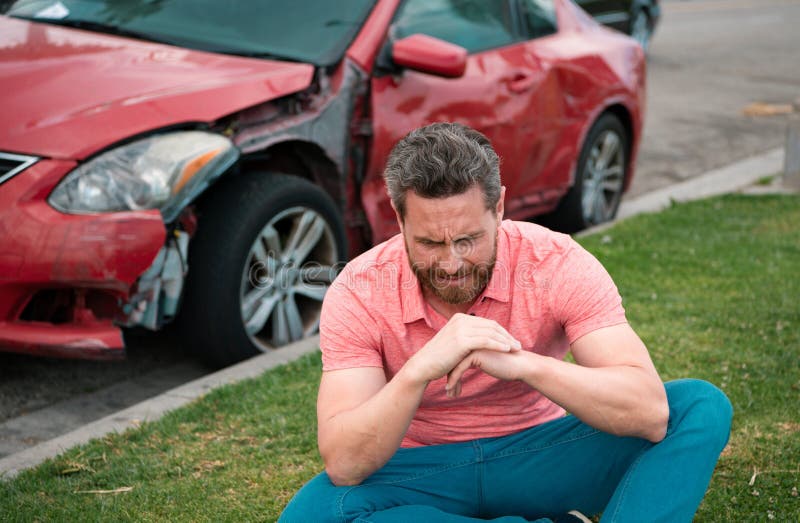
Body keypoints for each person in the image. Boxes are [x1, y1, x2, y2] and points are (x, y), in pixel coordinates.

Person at [279, 122, 732, 522]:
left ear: (499, 211)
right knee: (317, 512)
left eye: (468, 239)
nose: (451, 262)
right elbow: (344, 462)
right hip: (428, 468)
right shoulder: (359, 288)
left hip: (541, 454)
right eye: (430, 242)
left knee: (697, 407)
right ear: (398, 219)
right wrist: (419, 370)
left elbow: (649, 413)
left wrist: (525, 365)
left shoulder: (555, 261)